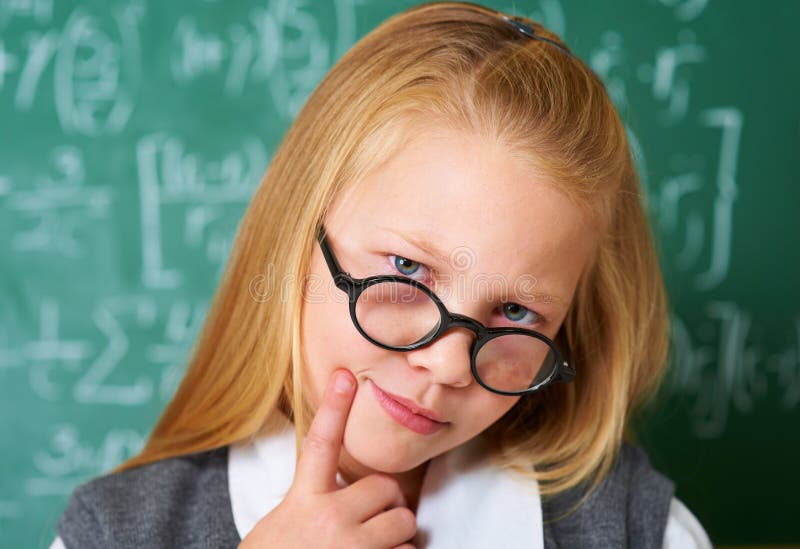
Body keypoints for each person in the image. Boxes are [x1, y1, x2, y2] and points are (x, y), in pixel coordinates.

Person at [51, 2, 713, 547]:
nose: (450, 363)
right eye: (406, 268)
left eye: (517, 312)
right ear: (297, 240)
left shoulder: (635, 528)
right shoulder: (114, 531)